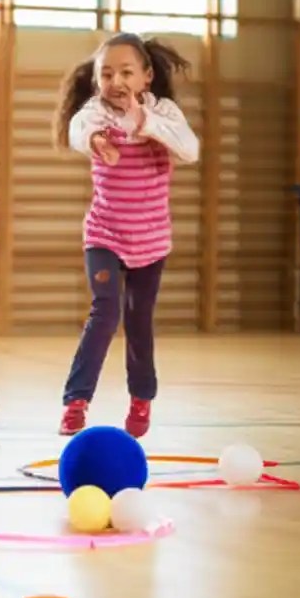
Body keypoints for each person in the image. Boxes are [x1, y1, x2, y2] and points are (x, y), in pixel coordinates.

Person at [53, 32, 199, 438]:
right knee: (105, 311)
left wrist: (145, 122)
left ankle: (141, 399)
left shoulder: (163, 112)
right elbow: (76, 132)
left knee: (138, 321)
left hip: (150, 243)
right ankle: (76, 401)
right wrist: (97, 139)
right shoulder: (94, 112)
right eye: (106, 73)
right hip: (105, 235)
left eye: (126, 72)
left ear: (147, 76)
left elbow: (190, 149)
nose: (115, 81)